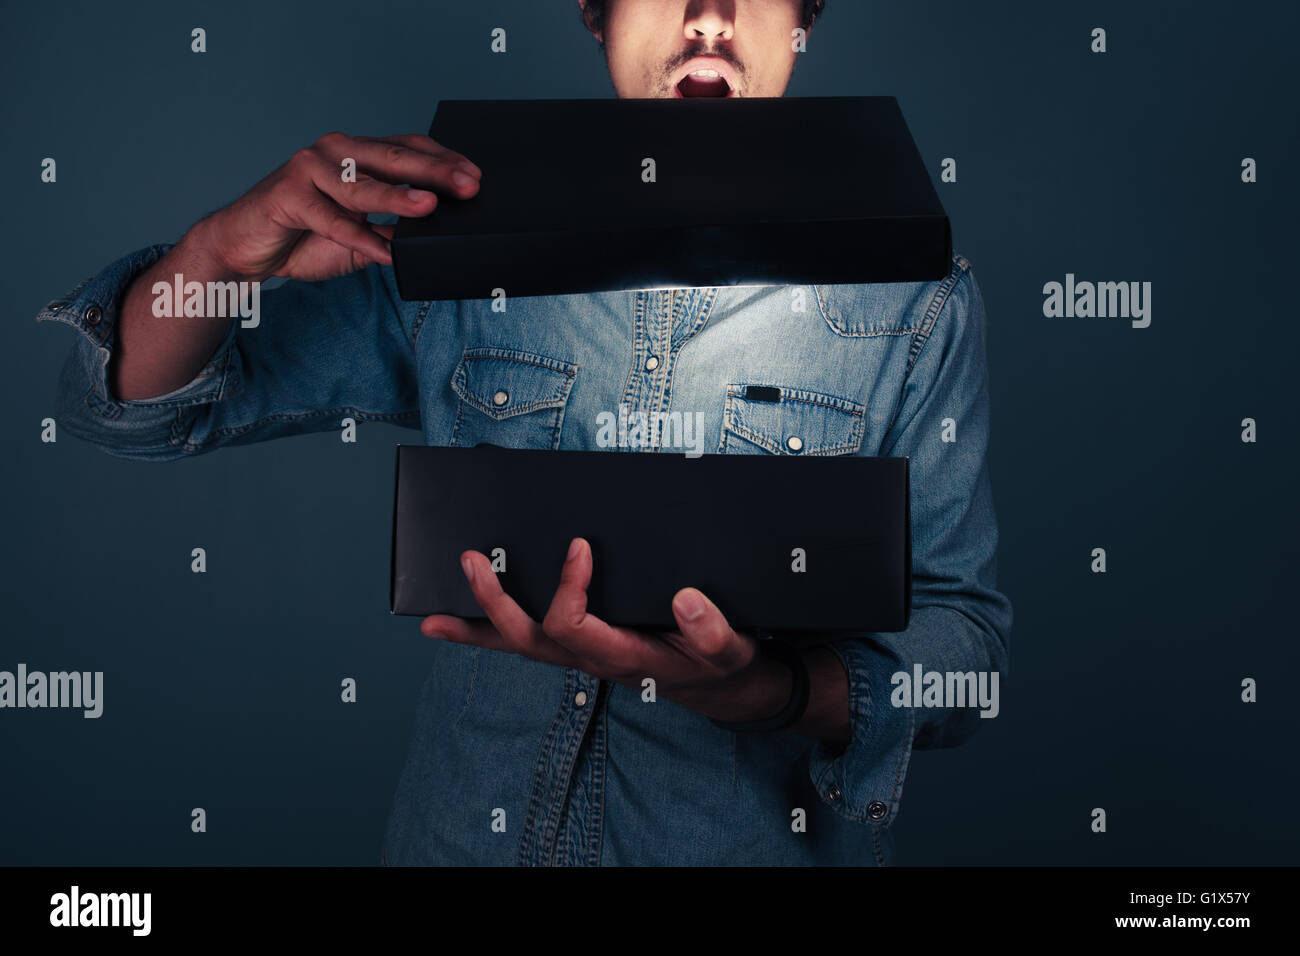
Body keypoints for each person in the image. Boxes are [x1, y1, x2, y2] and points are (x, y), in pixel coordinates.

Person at [35, 0, 1012, 865]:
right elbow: (141, 407)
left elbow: (965, 656)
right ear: (595, 12)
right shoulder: (455, 239)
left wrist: (768, 691)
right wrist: (216, 254)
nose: (707, 17)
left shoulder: (916, 293)